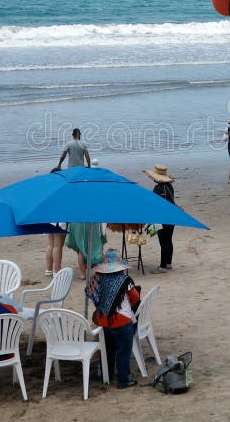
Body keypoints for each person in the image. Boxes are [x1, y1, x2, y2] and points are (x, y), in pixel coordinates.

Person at [86, 256, 140, 389]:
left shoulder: (98, 279)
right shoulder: (124, 280)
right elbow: (135, 298)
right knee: (123, 351)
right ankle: (123, 380)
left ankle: (107, 374)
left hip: (104, 323)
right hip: (123, 321)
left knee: (108, 351)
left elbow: (91, 294)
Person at [56, 128, 100, 279]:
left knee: (71, 191)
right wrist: (88, 166)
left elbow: (63, 155)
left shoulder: (69, 143)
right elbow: (88, 156)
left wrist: (59, 164)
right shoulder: (83, 144)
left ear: (71, 135)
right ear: (79, 135)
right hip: (81, 171)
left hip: (70, 172)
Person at [144, 164, 175, 273]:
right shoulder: (170, 186)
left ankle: (162, 266)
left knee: (163, 241)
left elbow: (154, 205)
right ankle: (168, 263)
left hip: (163, 218)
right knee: (169, 239)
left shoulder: (158, 188)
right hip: (172, 215)